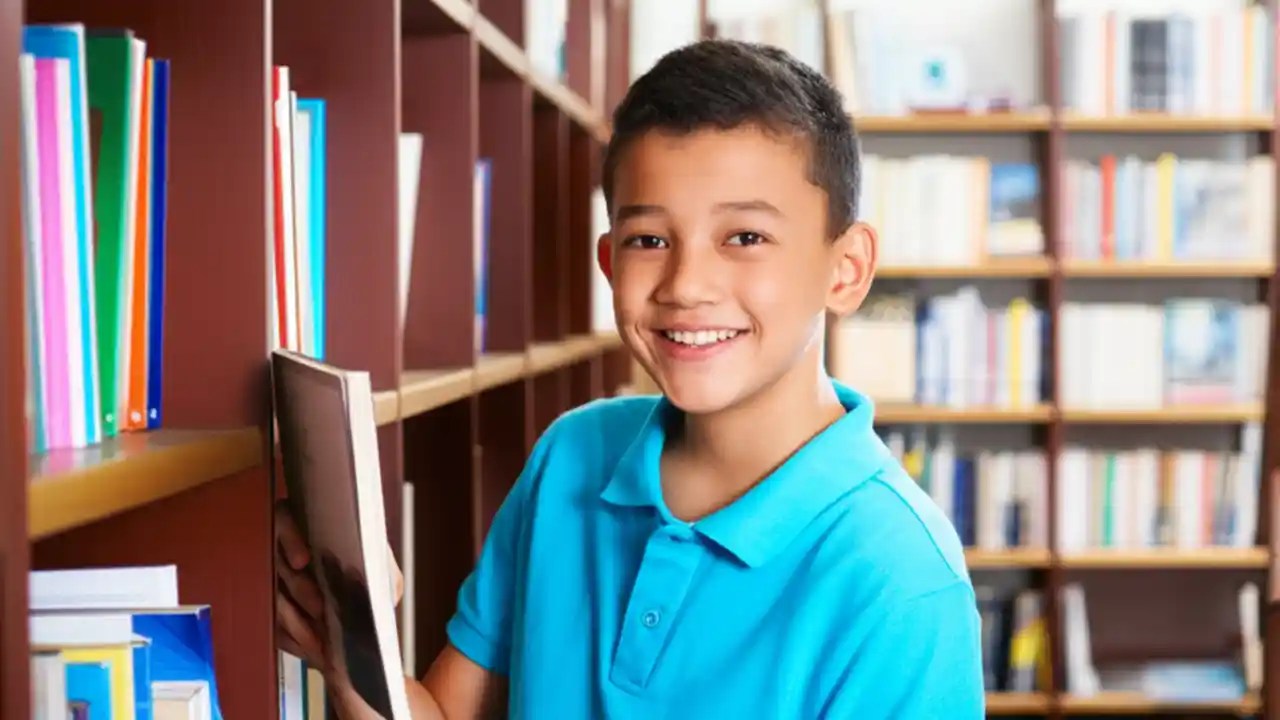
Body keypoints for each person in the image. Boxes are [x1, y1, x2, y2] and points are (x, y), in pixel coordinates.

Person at [276, 38, 985, 719]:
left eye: (745, 238)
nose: (686, 284)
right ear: (610, 262)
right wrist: (349, 643)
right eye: (650, 240)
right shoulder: (570, 456)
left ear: (847, 268)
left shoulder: (900, 580)